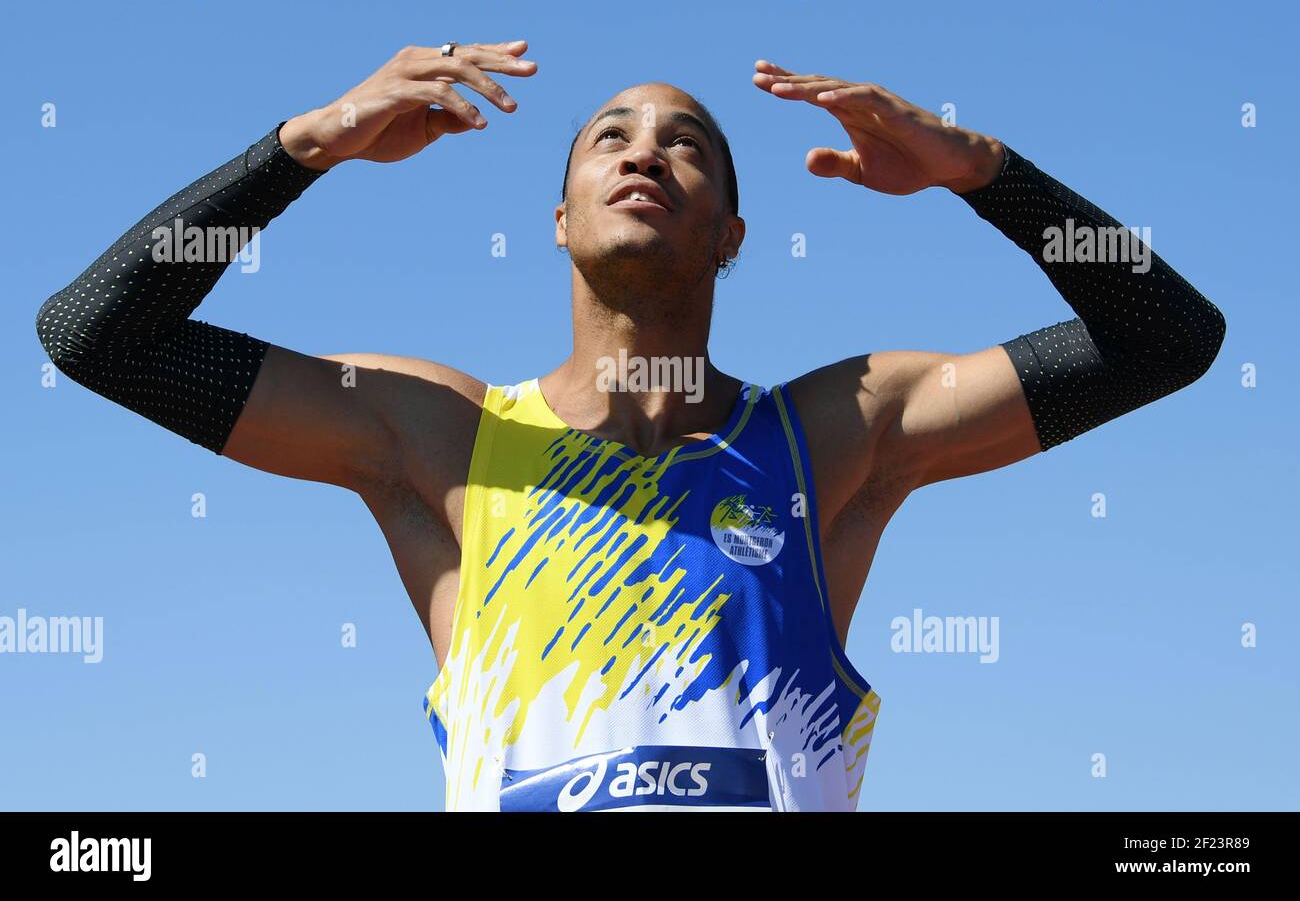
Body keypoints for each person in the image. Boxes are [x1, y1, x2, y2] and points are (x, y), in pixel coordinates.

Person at [34, 39, 1226, 811]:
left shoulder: (835, 432)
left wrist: (984, 171)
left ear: (732, 237)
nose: (645, 149)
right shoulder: (442, 438)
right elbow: (96, 335)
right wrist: (305, 145)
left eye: (686, 144)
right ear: (557, 219)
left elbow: (1168, 337)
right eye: (611, 135)